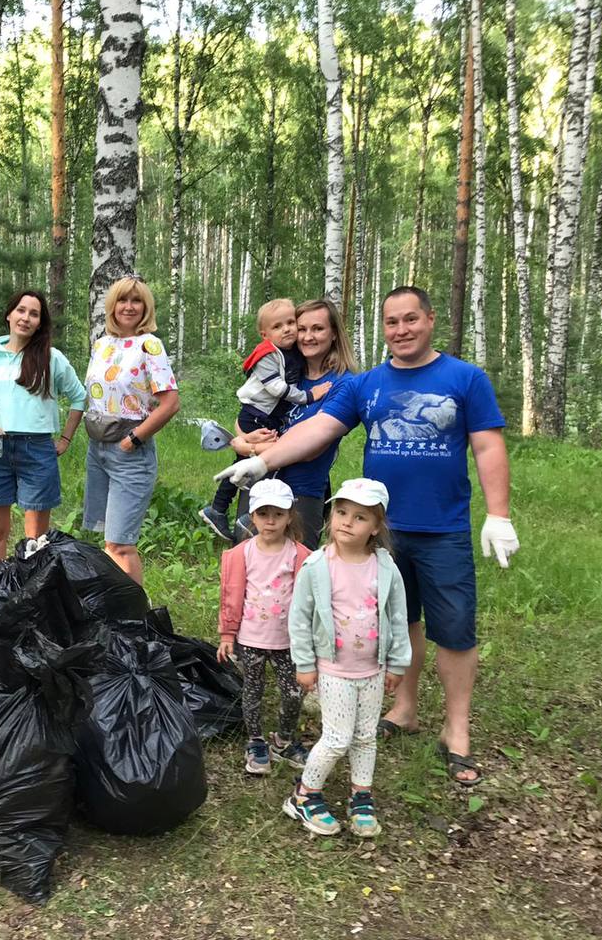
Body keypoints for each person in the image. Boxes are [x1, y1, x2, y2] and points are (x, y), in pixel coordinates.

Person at [215, 286, 520, 786]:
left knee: (457, 628)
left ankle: (457, 730)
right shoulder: (368, 385)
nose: (401, 330)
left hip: (443, 527)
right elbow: (318, 431)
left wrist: (499, 514)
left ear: (429, 319)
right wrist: (262, 460)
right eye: (391, 322)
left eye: (410, 320)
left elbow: (487, 447)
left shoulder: (465, 378)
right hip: (379, 532)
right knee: (400, 619)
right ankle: (404, 709)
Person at [284, 478, 410, 837]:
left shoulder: (385, 568)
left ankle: (361, 795)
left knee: (366, 735)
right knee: (337, 737)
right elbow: (300, 617)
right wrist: (305, 663)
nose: (346, 522)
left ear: (376, 527)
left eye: (359, 517)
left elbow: (397, 616)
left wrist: (397, 663)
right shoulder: (317, 566)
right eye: (341, 512)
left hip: (373, 668)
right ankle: (304, 794)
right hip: (333, 668)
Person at [0, 289, 86, 567]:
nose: (26, 318)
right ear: (9, 315)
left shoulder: (52, 358)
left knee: (36, 539)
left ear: (40, 323)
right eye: (21, 310)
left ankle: (32, 599)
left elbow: (79, 397)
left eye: (34, 314)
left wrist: (66, 438)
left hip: (37, 450)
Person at [228, 297, 358, 547]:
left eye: (318, 329)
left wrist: (249, 449)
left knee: (297, 570)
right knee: (249, 563)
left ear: (334, 334)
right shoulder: (287, 374)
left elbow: (311, 448)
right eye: (302, 328)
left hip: (301, 491)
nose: (308, 336)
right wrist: (244, 435)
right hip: (259, 483)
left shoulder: (343, 384)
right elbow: (249, 411)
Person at [82, 276, 181, 583]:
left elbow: (170, 402)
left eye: (136, 301)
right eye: (123, 300)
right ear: (112, 306)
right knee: (107, 541)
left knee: (121, 544)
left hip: (129, 451)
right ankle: (115, 610)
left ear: (145, 307)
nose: (129, 307)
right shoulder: (101, 344)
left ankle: (135, 619)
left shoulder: (149, 345)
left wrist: (135, 438)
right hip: (97, 449)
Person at [199, 298, 324, 541]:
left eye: (291, 323)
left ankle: (219, 509)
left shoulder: (289, 353)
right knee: (262, 463)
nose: (288, 329)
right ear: (264, 334)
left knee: (248, 459)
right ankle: (238, 512)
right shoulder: (269, 355)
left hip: (262, 418)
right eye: (278, 326)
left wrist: (246, 444)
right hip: (256, 416)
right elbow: (277, 389)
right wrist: (309, 396)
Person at [216, 479, 312, 776]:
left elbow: (311, 601)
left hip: (288, 642)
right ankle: (256, 741)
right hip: (250, 639)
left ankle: (283, 740)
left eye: (278, 514)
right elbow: (231, 596)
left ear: (289, 516)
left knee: (293, 693)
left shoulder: (301, 556)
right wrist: (227, 634)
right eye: (263, 514)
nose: (270, 521)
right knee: (252, 689)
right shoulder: (240, 555)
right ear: (252, 516)